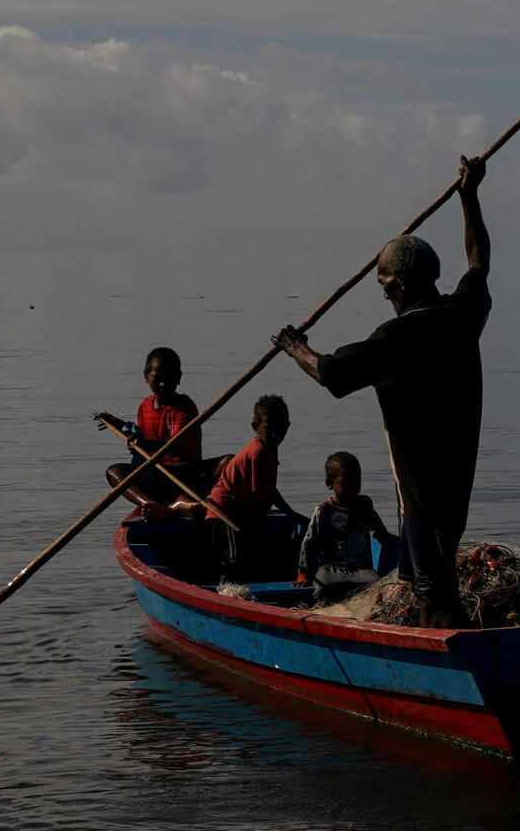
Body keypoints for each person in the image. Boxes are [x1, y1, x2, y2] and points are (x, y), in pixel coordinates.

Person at [275, 155, 491, 627]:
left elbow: (331, 374)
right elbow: (479, 259)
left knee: (435, 589)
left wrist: (295, 347)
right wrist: (469, 196)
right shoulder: (463, 313)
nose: (382, 289)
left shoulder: (394, 340)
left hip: (423, 492)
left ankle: (448, 665)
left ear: (403, 281)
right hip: (457, 482)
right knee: (421, 576)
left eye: (385, 280)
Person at [97, 347, 211, 518]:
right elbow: (143, 439)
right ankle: (153, 505)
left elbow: (176, 447)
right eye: (157, 379)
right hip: (154, 475)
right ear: (146, 377)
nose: (163, 384)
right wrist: (119, 425)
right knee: (115, 472)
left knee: (228, 462)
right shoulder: (145, 405)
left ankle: (176, 503)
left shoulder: (185, 407)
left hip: (182, 475)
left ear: (179, 378)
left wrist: (143, 444)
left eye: (169, 378)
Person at [198, 394, 299, 576]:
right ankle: (226, 595)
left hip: (241, 510)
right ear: (256, 428)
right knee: (232, 560)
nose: (276, 433)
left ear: (288, 427)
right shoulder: (258, 452)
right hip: (224, 513)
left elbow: (268, 490)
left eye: (281, 427)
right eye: (269, 428)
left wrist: (291, 514)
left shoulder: (270, 448)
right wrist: (289, 514)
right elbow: (262, 493)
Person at [299, 451, 393, 590]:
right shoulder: (324, 510)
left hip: (362, 569)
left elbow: (379, 530)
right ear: (329, 484)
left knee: (378, 586)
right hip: (332, 569)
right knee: (322, 587)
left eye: (357, 481)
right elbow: (309, 544)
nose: (354, 487)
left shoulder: (365, 505)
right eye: (346, 483)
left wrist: (391, 540)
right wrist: (303, 574)